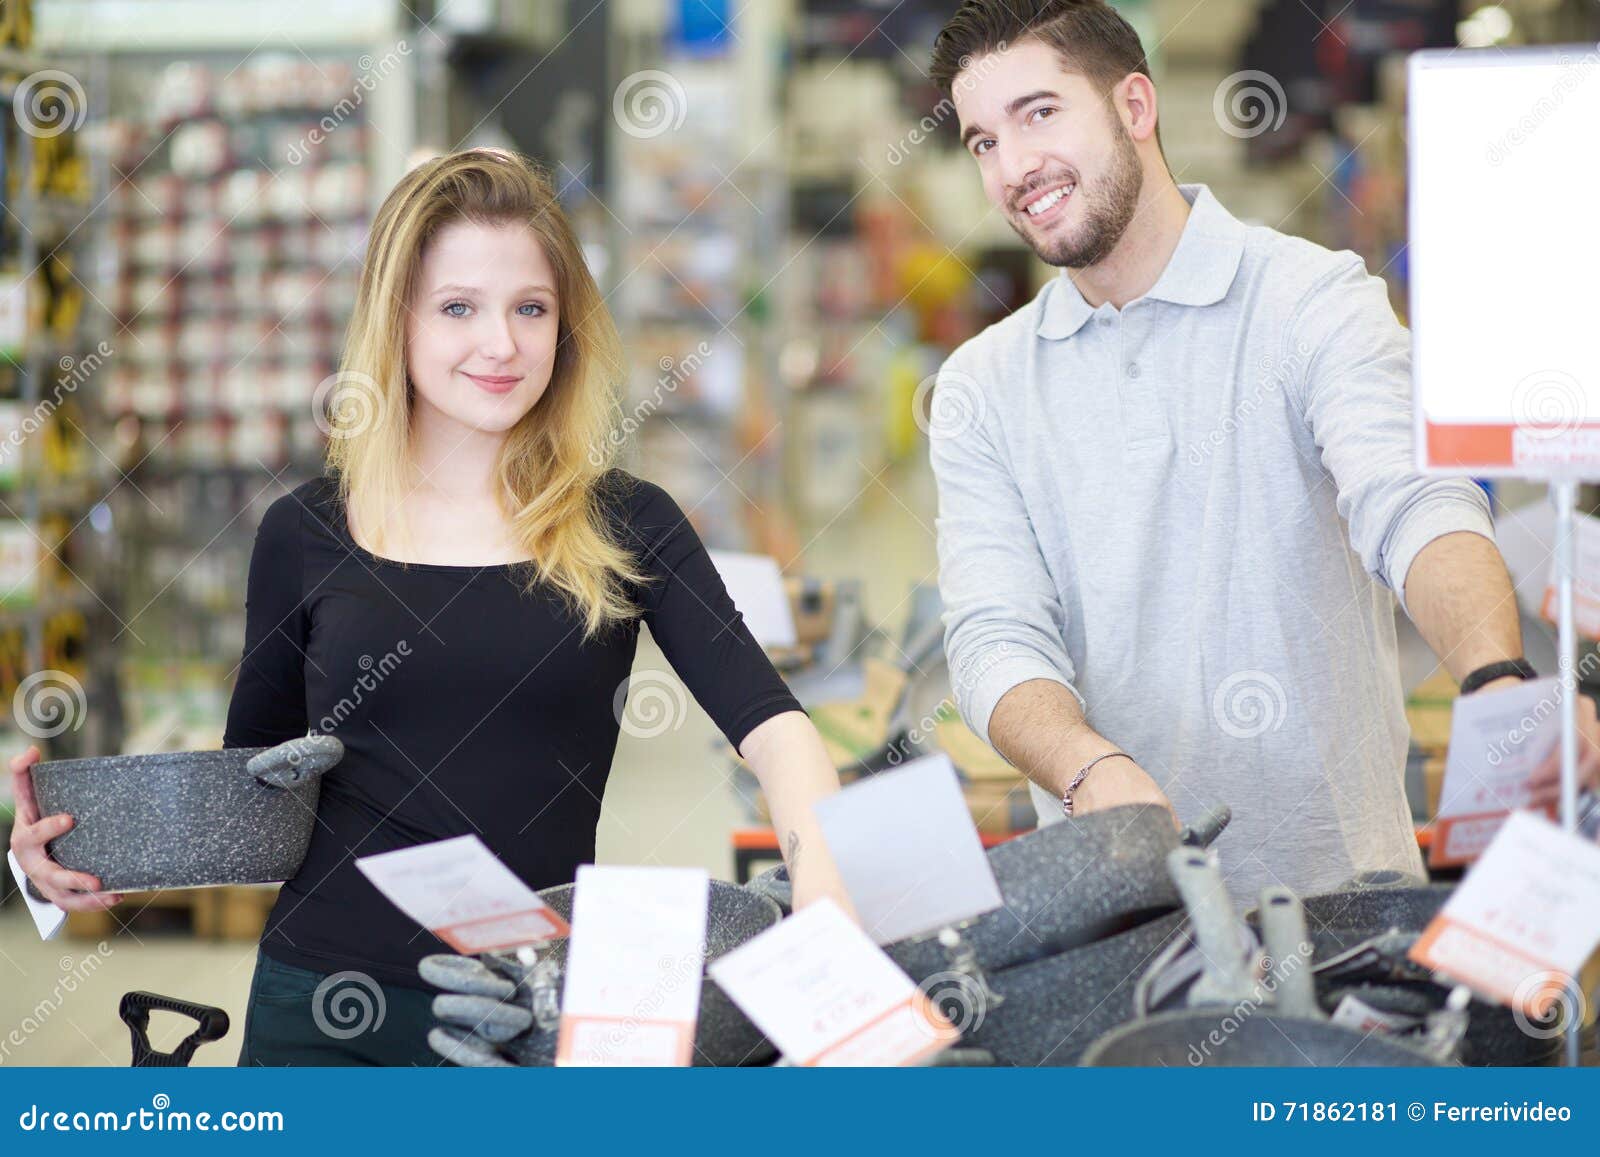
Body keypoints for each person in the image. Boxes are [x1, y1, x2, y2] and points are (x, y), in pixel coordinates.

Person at [9, 148, 850, 1065]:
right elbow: (252, 789)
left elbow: (772, 726)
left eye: (531, 308)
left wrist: (826, 895)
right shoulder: (307, 531)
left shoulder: (624, 523)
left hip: (525, 1012)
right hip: (321, 999)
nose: (502, 344)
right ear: (396, 321)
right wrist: (67, 853)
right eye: (459, 308)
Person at [924, 0, 1600, 905]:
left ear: (1133, 107)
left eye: (1040, 114)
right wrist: (1086, 767)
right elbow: (994, 634)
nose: (1014, 167)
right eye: (983, 141)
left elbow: (1413, 505)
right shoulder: (981, 386)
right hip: (1121, 928)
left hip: (1345, 911)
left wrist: (1493, 675)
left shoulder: (1314, 302)